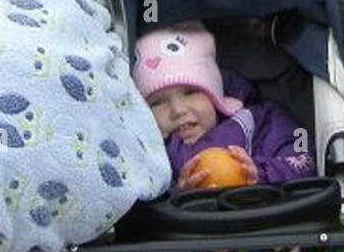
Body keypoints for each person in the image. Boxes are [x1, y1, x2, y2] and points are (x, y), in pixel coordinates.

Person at [133, 21, 316, 189]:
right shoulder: (152, 154)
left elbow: (304, 162)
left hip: (270, 215)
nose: (178, 110)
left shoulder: (259, 122)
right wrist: (179, 195)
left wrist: (259, 173)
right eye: (157, 102)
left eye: (191, 92)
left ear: (214, 94)